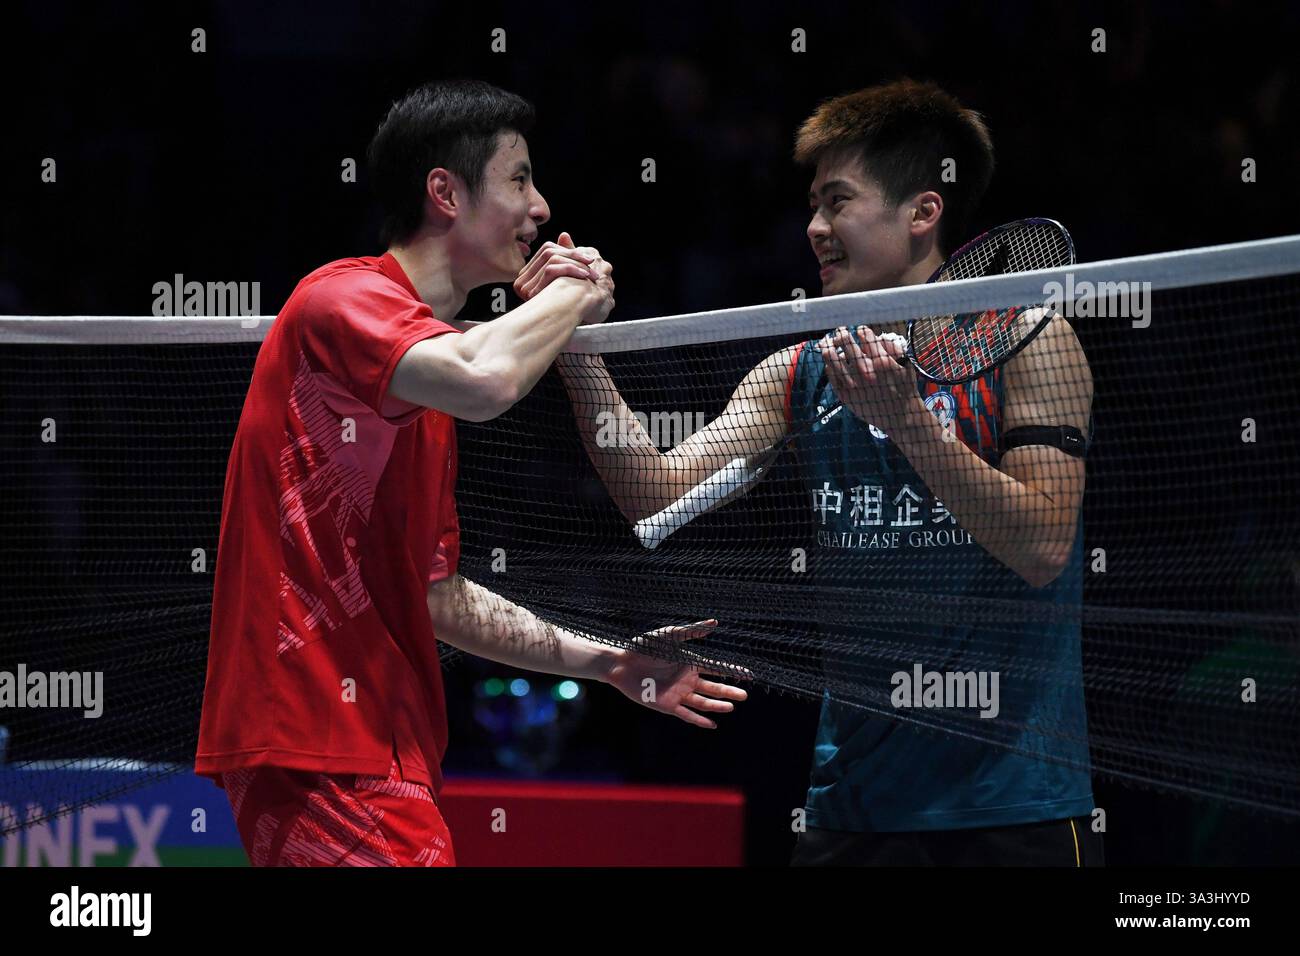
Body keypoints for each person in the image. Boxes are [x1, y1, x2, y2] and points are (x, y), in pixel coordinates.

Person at [195, 79, 747, 867]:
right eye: (519, 179)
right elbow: (487, 378)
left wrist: (609, 662)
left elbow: (437, 594)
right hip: (314, 737)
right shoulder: (337, 300)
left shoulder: (421, 393)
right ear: (445, 193)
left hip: (382, 749)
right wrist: (575, 293)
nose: (542, 207)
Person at [549, 79, 1099, 866]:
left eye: (837, 202)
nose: (814, 227)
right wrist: (576, 345)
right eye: (812, 204)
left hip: (1011, 807)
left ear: (922, 213)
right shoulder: (801, 370)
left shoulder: (1031, 341)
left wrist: (910, 423)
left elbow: (1043, 547)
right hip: (851, 812)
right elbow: (654, 498)